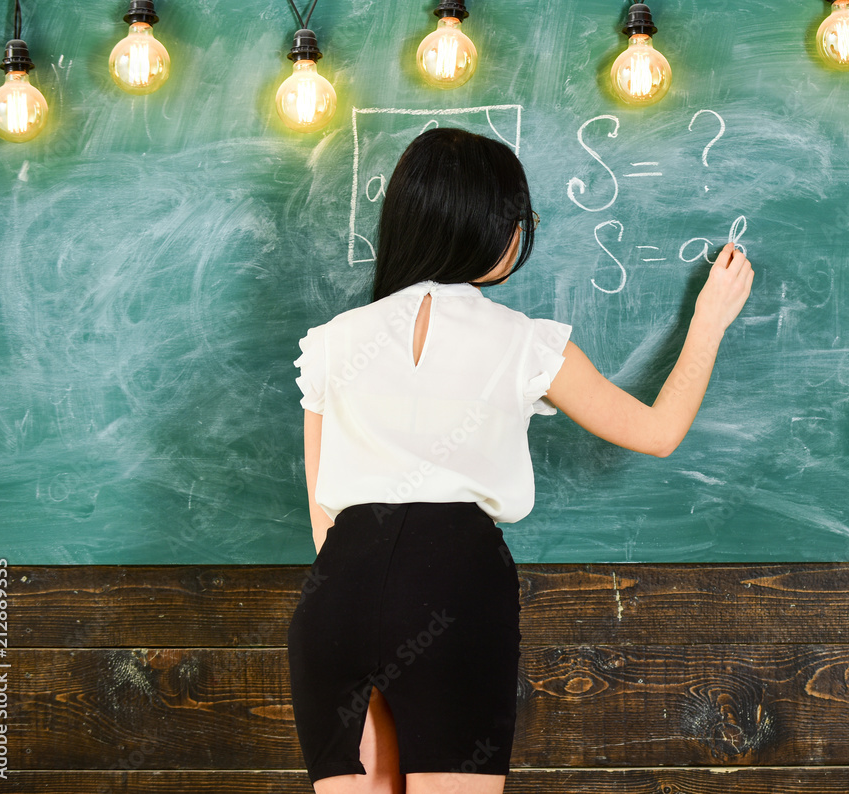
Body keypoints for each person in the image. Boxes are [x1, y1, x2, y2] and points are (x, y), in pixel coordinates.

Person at [287, 127, 753, 794]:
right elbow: (656, 432)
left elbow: (323, 523)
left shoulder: (331, 345)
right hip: (452, 583)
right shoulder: (524, 344)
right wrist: (707, 321)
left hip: (337, 596)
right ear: (491, 228)